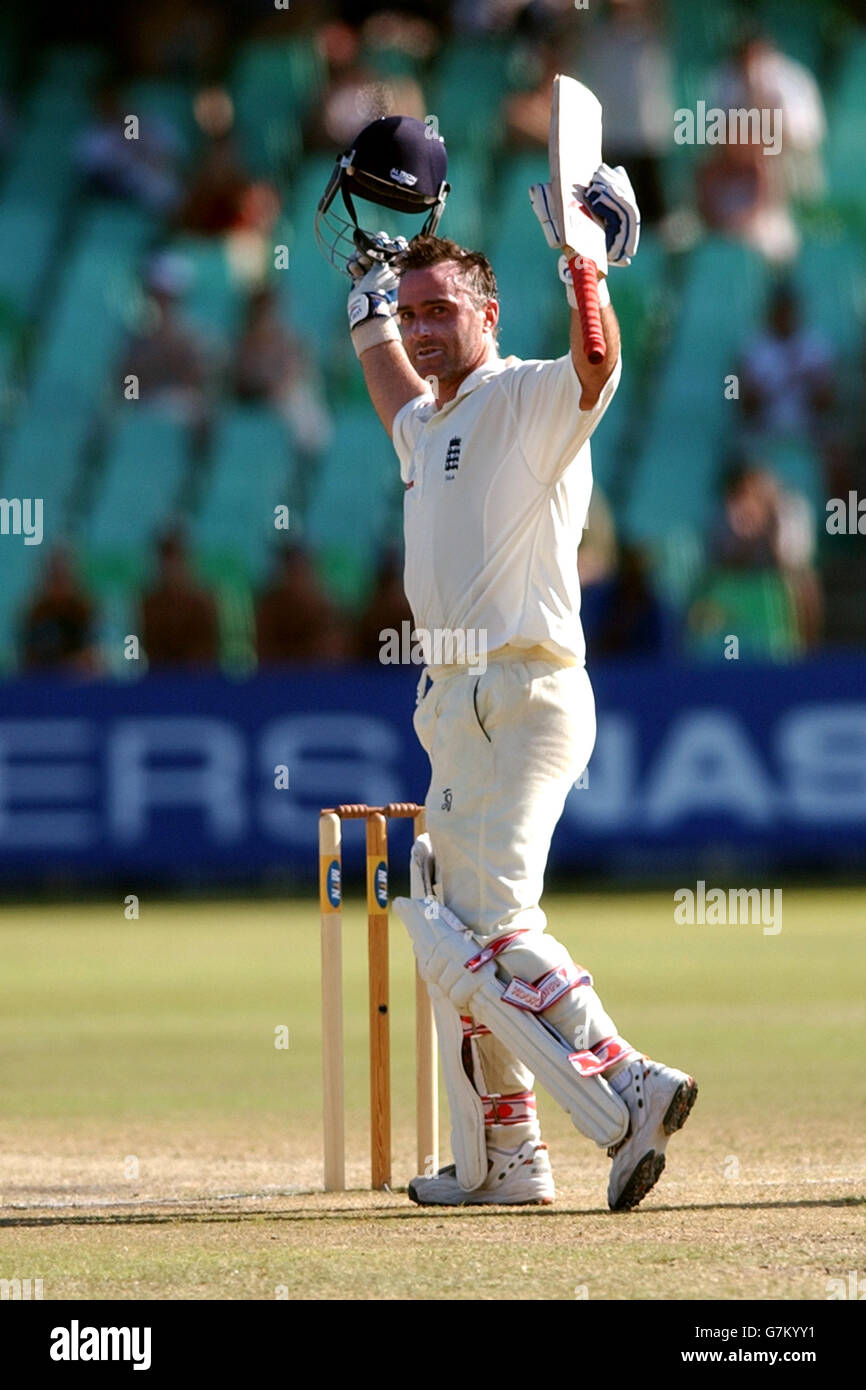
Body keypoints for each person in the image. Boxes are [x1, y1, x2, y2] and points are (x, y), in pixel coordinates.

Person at [340, 118, 697, 1210]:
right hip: (455, 706)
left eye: (441, 311)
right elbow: (387, 385)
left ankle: (627, 1078)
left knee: (486, 930)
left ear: (488, 315)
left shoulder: (527, 395)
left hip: (521, 689)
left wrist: (583, 269)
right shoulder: (428, 423)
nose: (424, 329)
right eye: (416, 316)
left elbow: (599, 363)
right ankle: (509, 1156)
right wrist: (366, 300)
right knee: (455, 940)